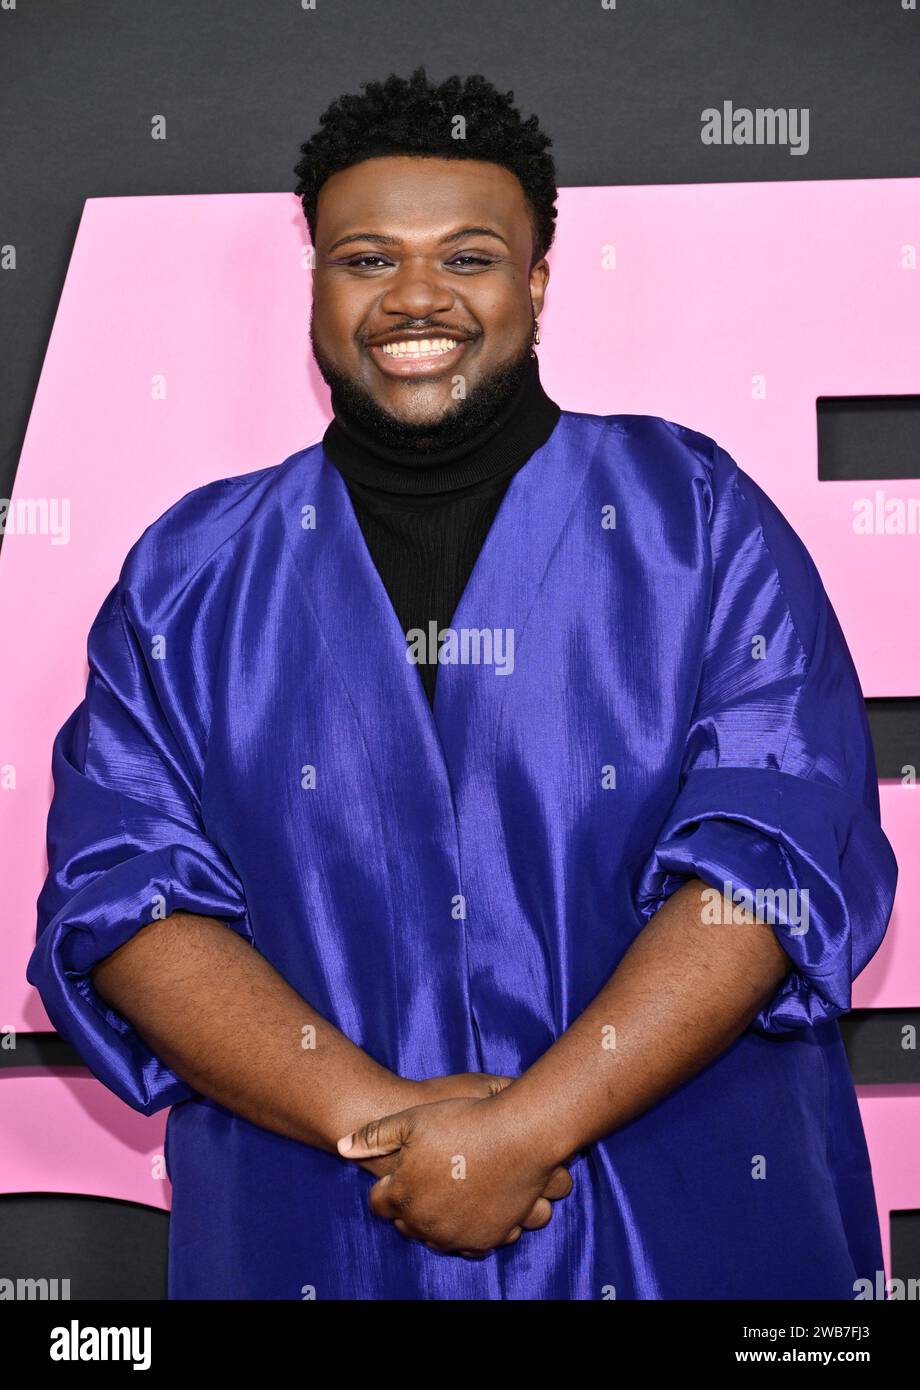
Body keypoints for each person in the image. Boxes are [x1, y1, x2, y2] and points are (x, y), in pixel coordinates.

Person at [28, 67, 897, 1301]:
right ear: (316, 283)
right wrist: (401, 1132)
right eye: (368, 259)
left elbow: (773, 853)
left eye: (469, 256)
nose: (417, 297)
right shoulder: (192, 571)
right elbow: (124, 894)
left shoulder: (694, 522)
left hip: (673, 1224)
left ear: (536, 282)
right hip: (327, 1223)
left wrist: (524, 1130)